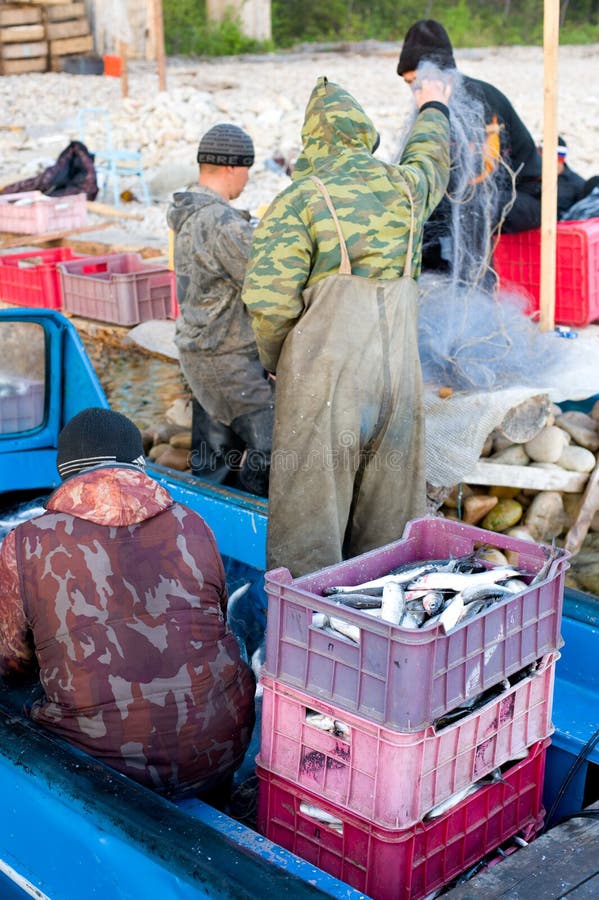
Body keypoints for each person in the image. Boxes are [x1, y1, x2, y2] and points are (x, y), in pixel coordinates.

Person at [241, 75, 451, 577]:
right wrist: (433, 108)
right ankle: (384, 638)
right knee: (389, 529)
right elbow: (430, 161)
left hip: (325, 384)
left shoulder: (299, 200)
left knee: (309, 535)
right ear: (364, 134)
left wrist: (280, 364)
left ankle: (313, 641)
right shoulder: (405, 186)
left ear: (312, 142)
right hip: (399, 383)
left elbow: (267, 300)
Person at [0, 407, 255, 803]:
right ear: (140, 466)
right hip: (221, 756)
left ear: (66, 474)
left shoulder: (24, 542)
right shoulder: (194, 524)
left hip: (103, 774)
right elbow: (216, 618)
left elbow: (11, 662)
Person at [167, 123, 274, 497]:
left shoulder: (187, 212)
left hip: (198, 352)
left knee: (213, 463)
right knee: (274, 447)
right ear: (232, 167)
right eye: (247, 169)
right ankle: (251, 528)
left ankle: (207, 542)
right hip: (226, 360)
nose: (247, 179)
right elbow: (267, 279)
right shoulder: (220, 222)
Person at [396, 20, 542, 280]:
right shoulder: (429, 107)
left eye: (419, 84)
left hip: (522, 196)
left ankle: (474, 291)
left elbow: (480, 178)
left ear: (442, 77)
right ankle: (428, 278)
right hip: (466, 192)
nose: (416, 93)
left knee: (471, 203)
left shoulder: (479, 102)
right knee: (413, 206)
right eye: (410, 85)